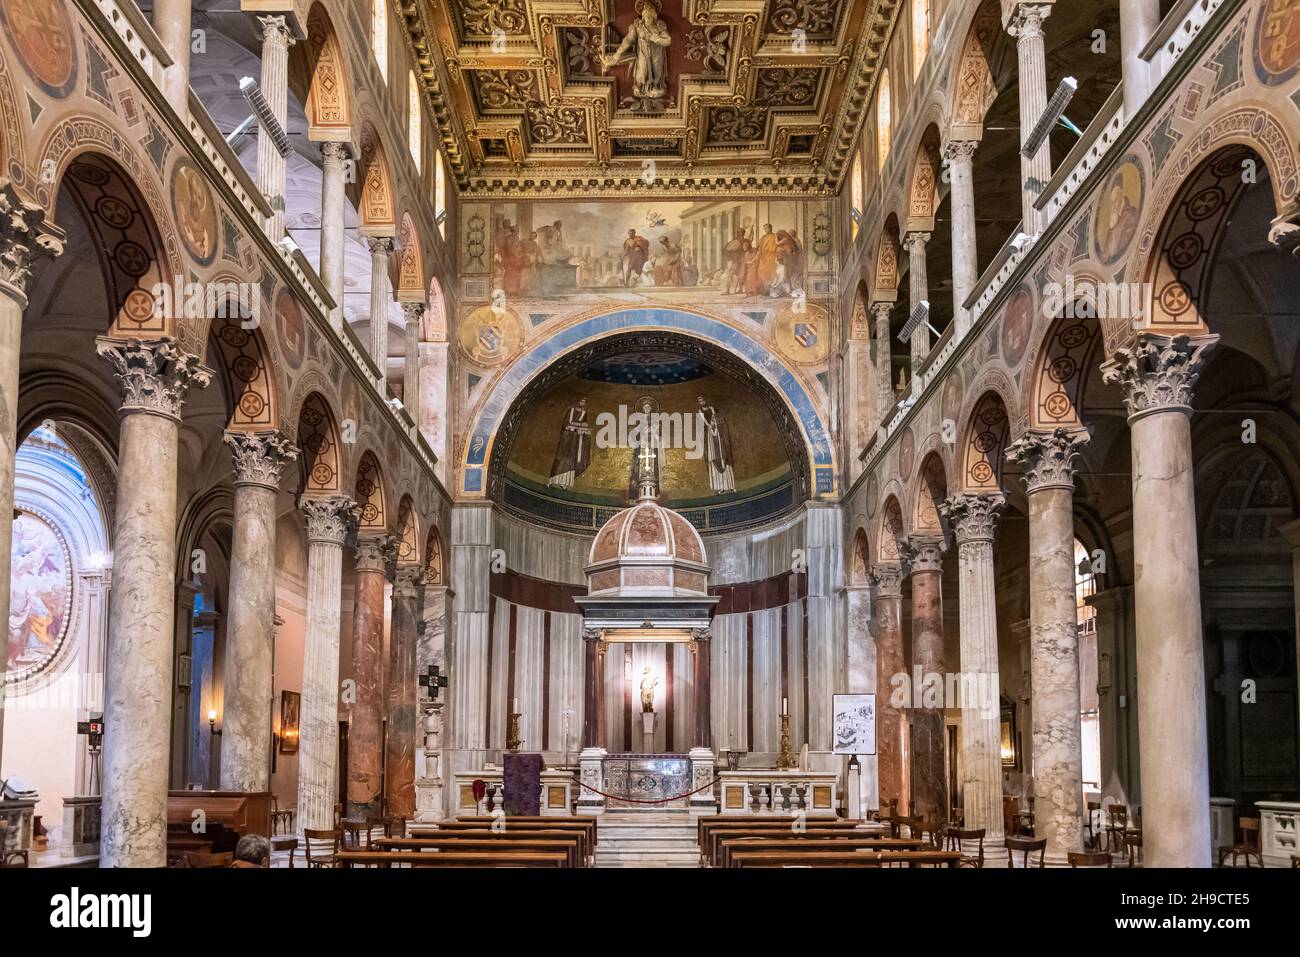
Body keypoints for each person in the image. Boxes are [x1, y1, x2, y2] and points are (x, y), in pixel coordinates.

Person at [600, 0, 672, 100]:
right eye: (645, 16)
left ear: (654, 16)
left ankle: (655, 87)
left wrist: (654, 38)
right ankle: (638, 86)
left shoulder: (660, 25)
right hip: (643, 53)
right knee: (642, 71)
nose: (647, 19)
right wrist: (618, 53)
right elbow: (628, 40)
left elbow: (668, 41)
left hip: (657, 53)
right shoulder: (638, 26)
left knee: (657, 71)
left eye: (649, 17)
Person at [548, 398, 592, 488]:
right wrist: (577, 425)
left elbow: (583, 424)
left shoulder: (584, 413)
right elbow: (566, 423)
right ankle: (552, 480)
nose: (582, 403)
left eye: (584, 402)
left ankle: (564, 483)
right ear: (577, 401)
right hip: (567, 439)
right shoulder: (571, 409)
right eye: (581, 401)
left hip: (575, 440)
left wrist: (582, 426)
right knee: (561, 458)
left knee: (571, 460)